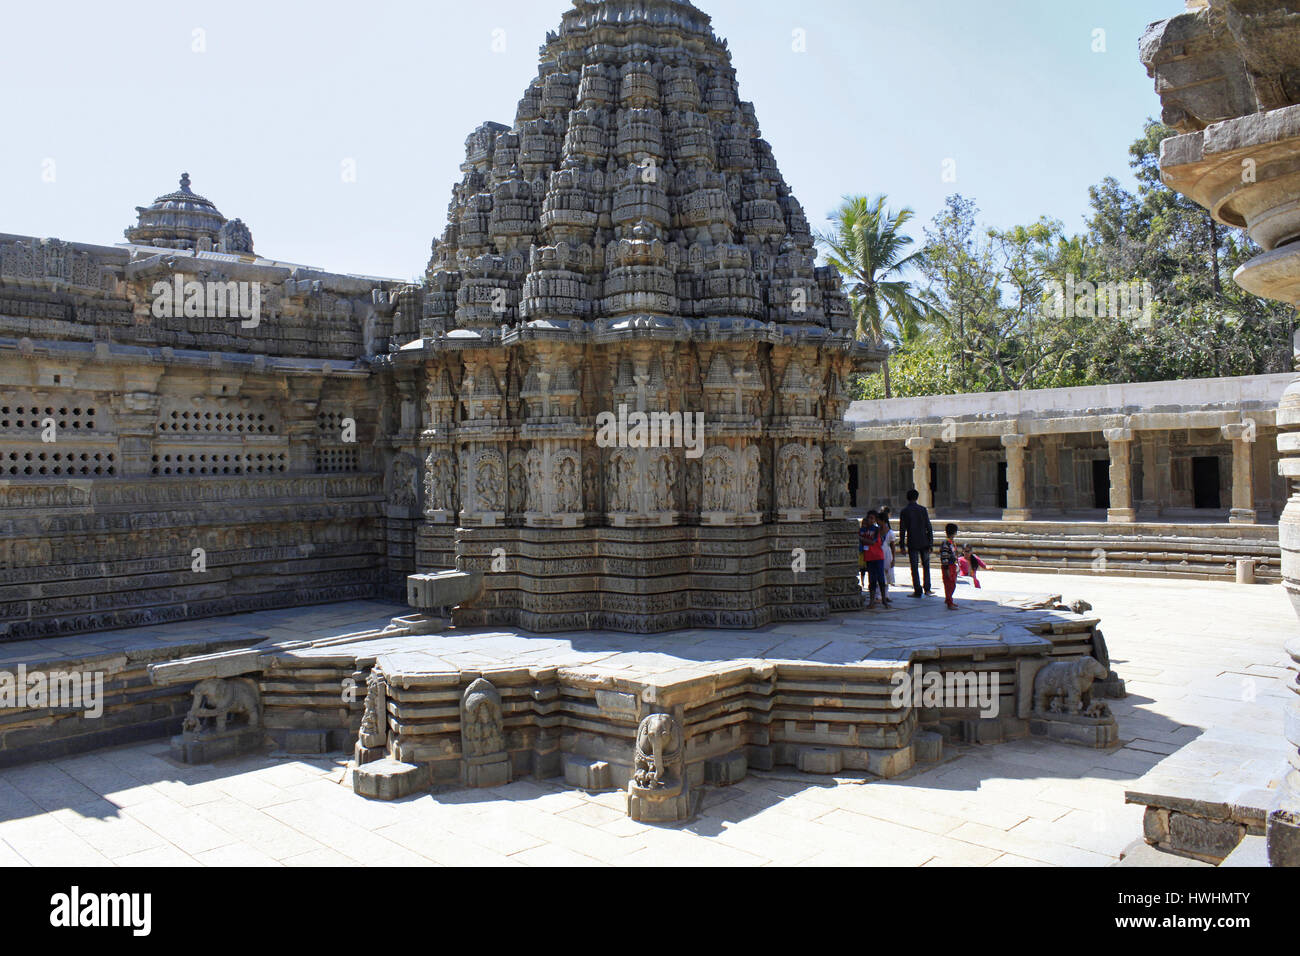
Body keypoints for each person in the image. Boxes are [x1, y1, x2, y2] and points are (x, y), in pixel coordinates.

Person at [897, 489, 934, 597]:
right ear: (917, 497)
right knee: (926, 565)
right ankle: (927, 589)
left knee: (914, 567)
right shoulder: (923, 509)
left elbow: (902, 529)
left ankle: (917, 590)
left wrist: (902, 545)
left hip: (912, 541)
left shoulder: (905, 511)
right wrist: (931, 543)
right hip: (924, 541)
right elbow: (929, 527)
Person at [861, 510, 891, 609]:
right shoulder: (864, 529)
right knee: (872, 579)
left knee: (881, 579)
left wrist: (861, 539)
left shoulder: (877, 530)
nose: (870, 520)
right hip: (869, 556)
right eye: (869, 518)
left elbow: (873, 542)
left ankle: (884, 600)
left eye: (872, 518)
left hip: (878, 556)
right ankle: (872, 601)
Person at [940, 523, 960, 610]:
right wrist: (946, 568)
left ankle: (949, 599)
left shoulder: (951, 542)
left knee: (952, 584)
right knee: (949, 584)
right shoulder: (946, 543)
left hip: (952, 565)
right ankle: (949, 602)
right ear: (954, 532)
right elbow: (944, 556)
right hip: (948, 566)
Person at [879, 507, 897, 588]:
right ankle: (880, 594)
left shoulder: (890, 533)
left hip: (887, 554)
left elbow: (893, 546)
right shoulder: (877, 531)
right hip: (878, 553)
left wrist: (893, 559)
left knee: (887, 573)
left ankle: (886, 594)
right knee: (880, 573)